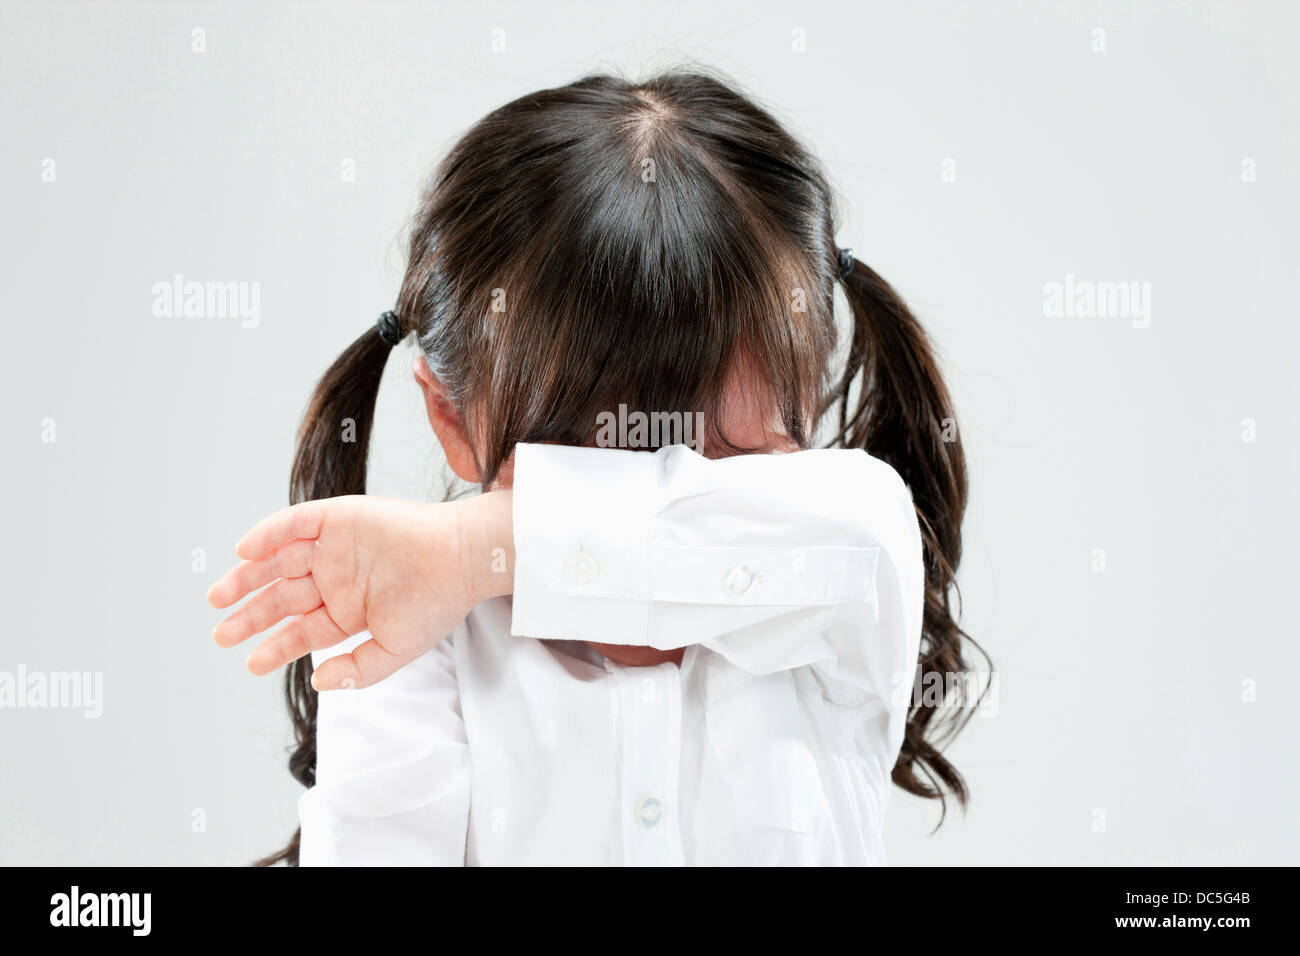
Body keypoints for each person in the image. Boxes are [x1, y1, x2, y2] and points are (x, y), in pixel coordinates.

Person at [208, 70, 985, 865]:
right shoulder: (410, 648)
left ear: (809, 403)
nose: (646, 540)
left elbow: (860, 529)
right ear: (451, 418)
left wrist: (478, 547)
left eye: (718, 473)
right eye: (588, 468)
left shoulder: (834, 596)